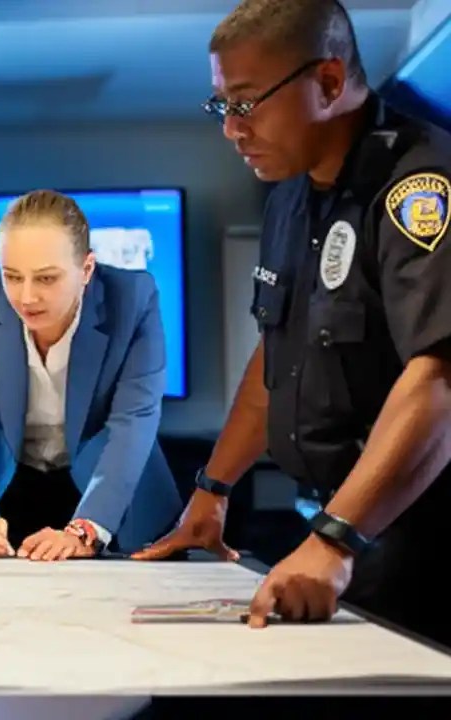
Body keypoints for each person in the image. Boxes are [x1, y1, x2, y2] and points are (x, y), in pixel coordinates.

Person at [133, 0, 451, 645]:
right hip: (350, 525)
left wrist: (337, 539)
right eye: (222, 106)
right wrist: (212, 490)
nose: (231, 129)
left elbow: (440, 378)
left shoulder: (420, 185)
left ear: (329, 82)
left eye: (246, 103)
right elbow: (278, 354)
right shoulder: (289, 199)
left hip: (423, 533)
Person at [0, 190, 181, 559]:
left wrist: (86, 528)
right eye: (12, 276)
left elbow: (133, 421)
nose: (26, 297)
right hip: (0, 484)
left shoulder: (133, 299)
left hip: (106, 490)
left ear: (87, 270)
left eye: (46, 279)